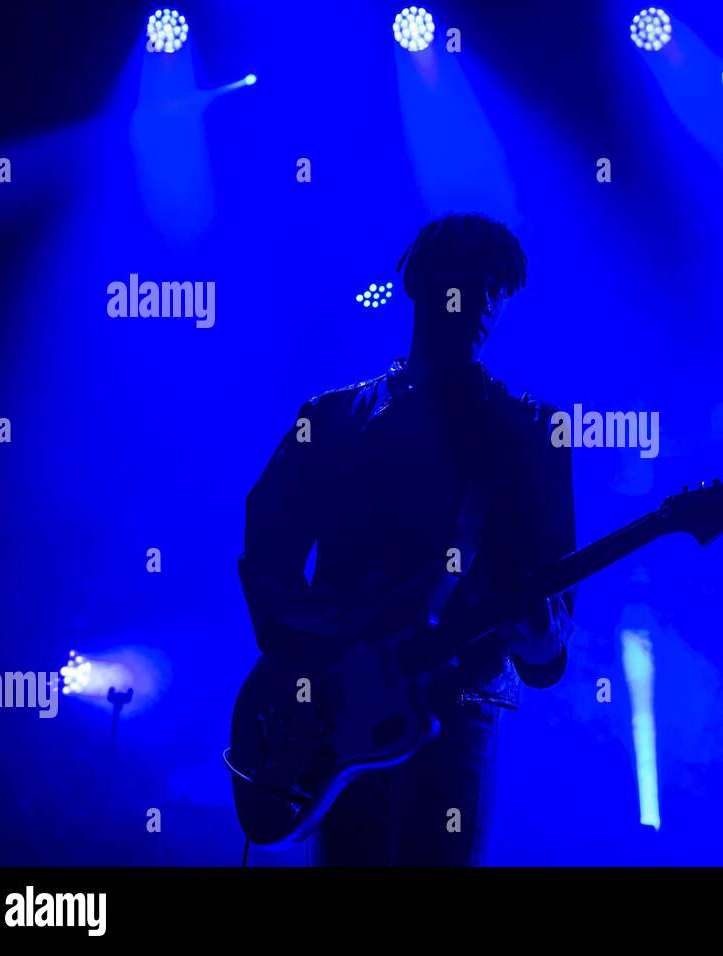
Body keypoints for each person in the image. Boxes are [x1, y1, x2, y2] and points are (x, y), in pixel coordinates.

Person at [238, 213, 575, 865]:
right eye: (465, 283)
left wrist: (535, 628)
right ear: (417, 285)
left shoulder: (532, 431)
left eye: (495, 290)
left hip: (458, 702)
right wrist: (307, 634)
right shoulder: (332, 419)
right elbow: (265, 541)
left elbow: (551, 622)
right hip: (335, 714)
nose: (480, 303)